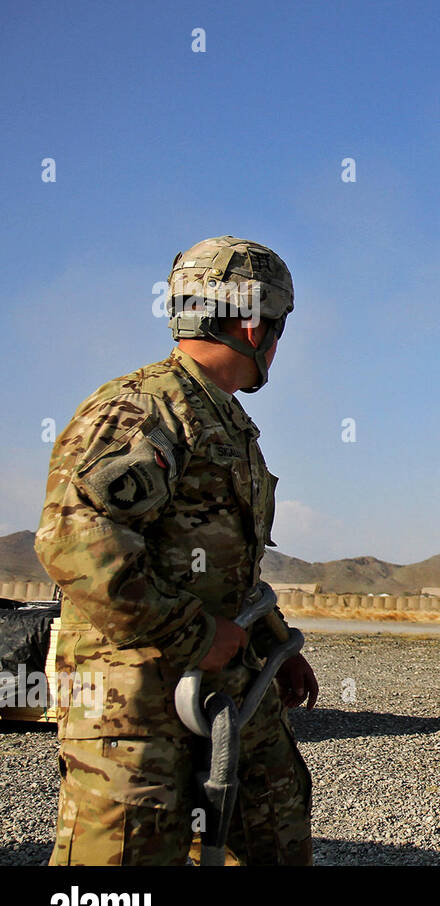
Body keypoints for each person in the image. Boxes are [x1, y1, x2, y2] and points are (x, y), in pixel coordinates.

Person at [35, 235, 316, 865]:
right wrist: (192, 633)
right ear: (252, 323)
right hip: (135, 714)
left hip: (226, 694)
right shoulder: (142, 408)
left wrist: (274, 642)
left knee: (276, 837)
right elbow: (77, 545)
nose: (278, 344)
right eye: (279, 326)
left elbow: (226, 571)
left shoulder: (224, 419)